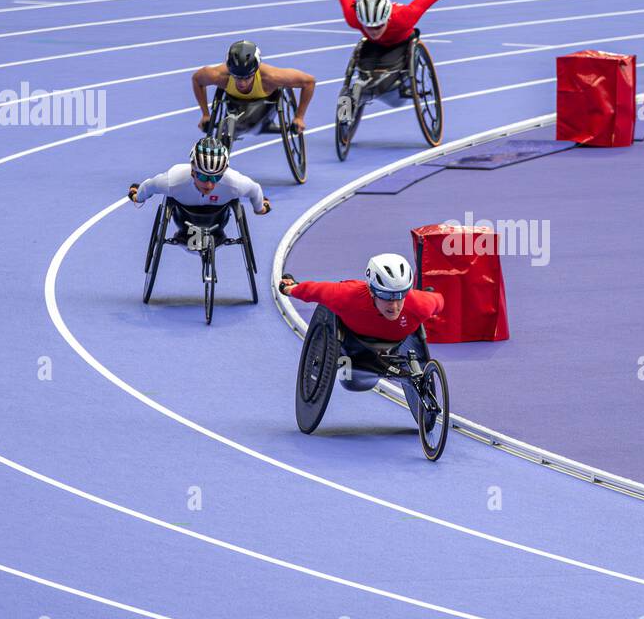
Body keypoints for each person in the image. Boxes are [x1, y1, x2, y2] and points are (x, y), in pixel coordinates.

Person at [279, 254, 444, 428]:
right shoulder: (348, 296)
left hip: (392, 346)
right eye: (386, 296)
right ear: (372, 290)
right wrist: (290, 288)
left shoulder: (420, 304)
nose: (394, 306)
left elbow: (439, 301)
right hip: (352, 348)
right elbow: (313, 291)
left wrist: (429, 296)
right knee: (349, 378)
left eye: (400, 296)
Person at [128, 136, 270, 248]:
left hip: (218, 225)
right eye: (202, 176)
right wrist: (260, 208)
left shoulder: (234, 183)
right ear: (192, 170)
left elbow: (147, 187)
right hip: (183, 225)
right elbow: (151, 185)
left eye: (216, 177)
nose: (209, 184)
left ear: (223, 172)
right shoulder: (173, 180)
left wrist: (137, 197)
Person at [334, 0, 447, 118]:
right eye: (368, 27)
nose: (374, 31)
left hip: (401, 44)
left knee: (384, 79)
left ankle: (377, 88)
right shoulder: (353, 17)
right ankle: (347, 112)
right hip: (373, 46)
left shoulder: (405, 16)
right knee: (363, 77)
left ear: (387, 19)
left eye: (378, 26)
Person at [191, 40, 314, 144]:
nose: (242, 83)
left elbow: (309, 82)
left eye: (247, 77)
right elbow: (197, 80)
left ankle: (239, 125)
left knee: (244, 121)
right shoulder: (218, 75)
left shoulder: (272, 77)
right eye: (237, 77)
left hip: (264, 108)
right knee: (234, 123)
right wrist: (206, 114)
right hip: (234, 105)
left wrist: (299, 117)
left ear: (256, 71)